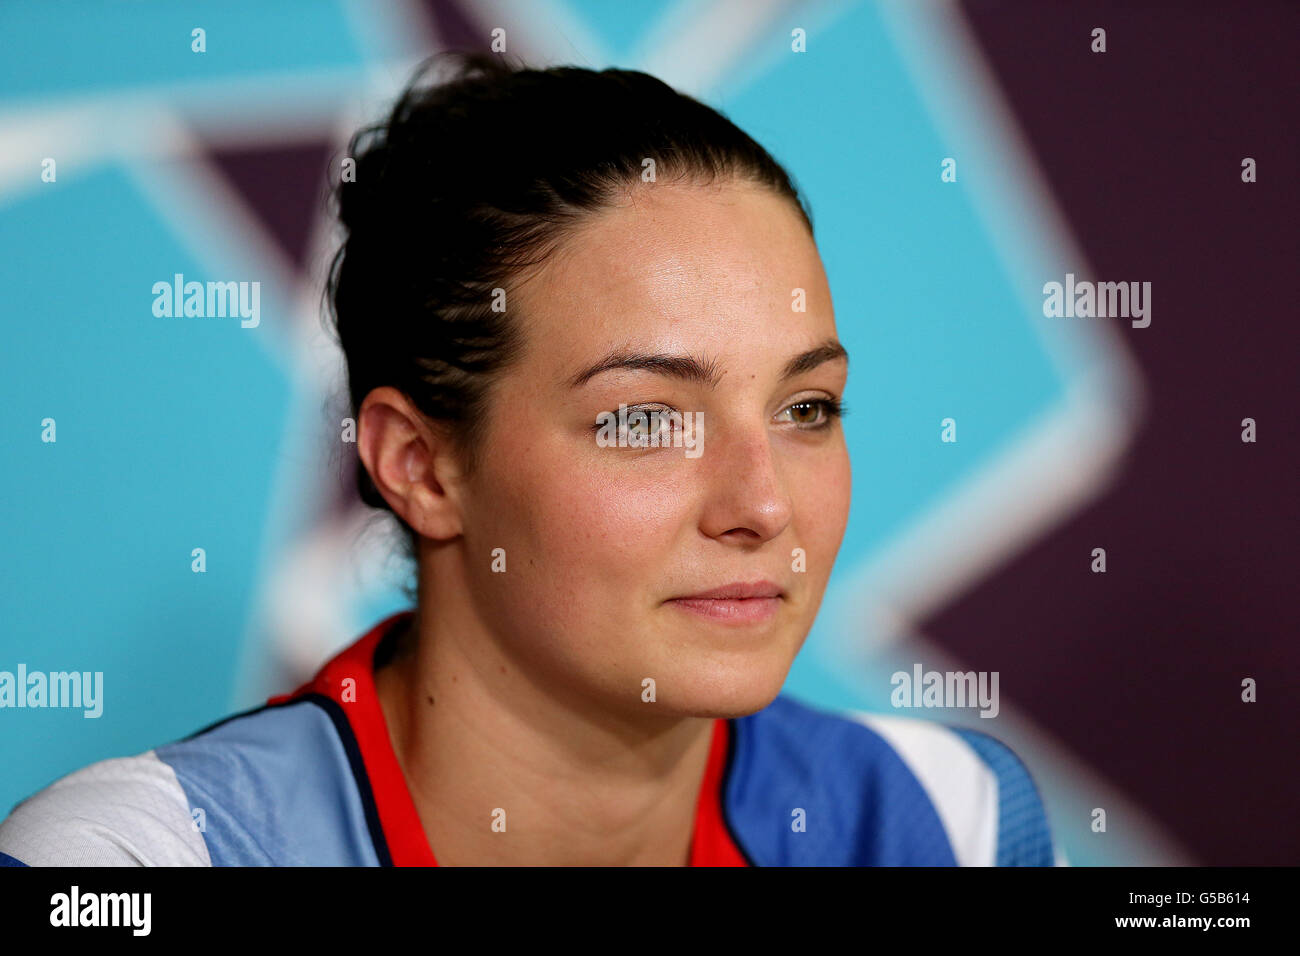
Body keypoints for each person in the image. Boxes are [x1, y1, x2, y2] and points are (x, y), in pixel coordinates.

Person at [0, 52, 1056, 866]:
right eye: (645, 418)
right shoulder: (138, 861)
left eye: (806, 406)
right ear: (420, 463)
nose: (762, 503)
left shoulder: (937, 816)